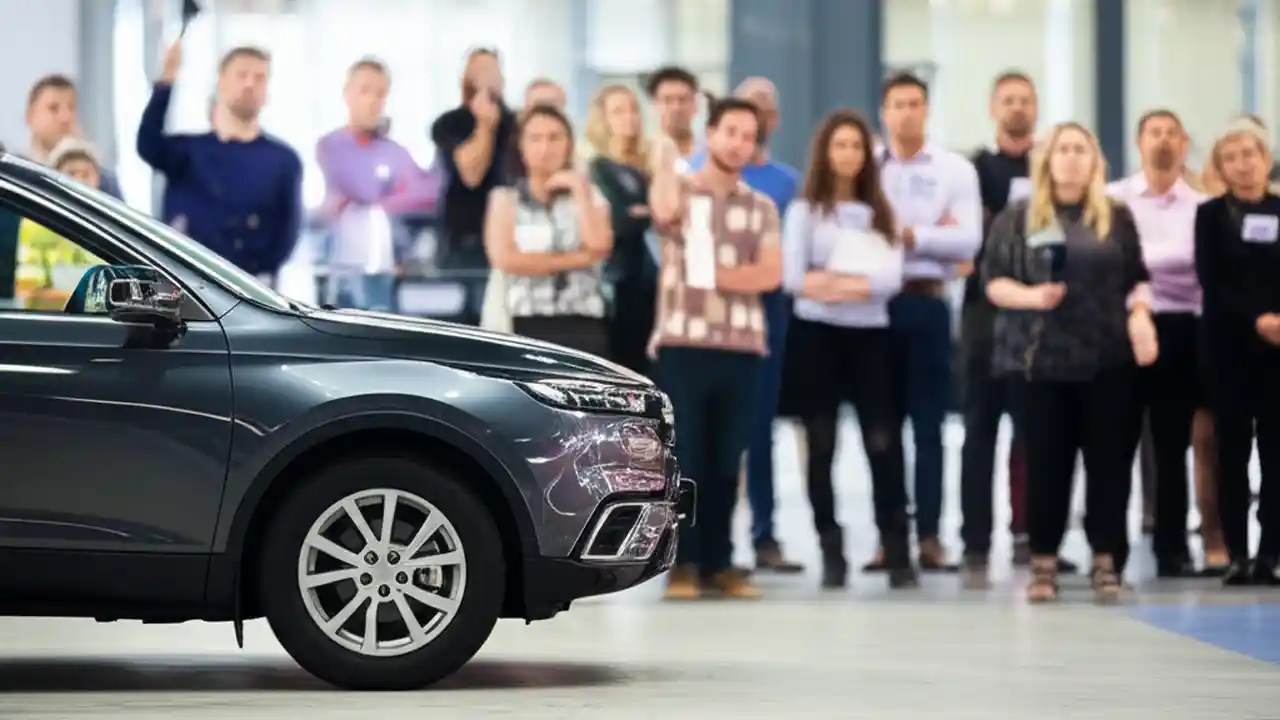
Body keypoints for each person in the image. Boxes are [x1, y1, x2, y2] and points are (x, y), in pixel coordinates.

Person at [983, 122, 1156, 603]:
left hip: (1107, 357)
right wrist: (1032, 296)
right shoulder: (1019, 217)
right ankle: (1043, 561)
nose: (1072, 158)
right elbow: (993, 281)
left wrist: (1141, 315)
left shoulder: (1115, 217)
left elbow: (1138, 277)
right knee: (1046, 464)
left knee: (1109, 464)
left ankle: (1106, 559)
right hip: (1040, 360)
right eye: (1064, 149)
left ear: (1095, 160)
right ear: (1048, 158)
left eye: (1082, 149)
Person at [778, 109, 917, 589]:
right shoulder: (804, 211)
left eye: (857, 146)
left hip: (872, 340)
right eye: (840, 145)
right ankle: (831, 548)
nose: (849, 155)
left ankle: (898, 548)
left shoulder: (882, 212)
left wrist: (833, 282)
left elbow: (890, 280)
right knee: (821, 445)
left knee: (883, 441)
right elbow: (795, 279)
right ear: (825, 151)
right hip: (817, 340)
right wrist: (855, 284)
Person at [649, 98, 782, 600]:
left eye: (749, 136)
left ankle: (720, 563)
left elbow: (770, 273)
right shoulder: (681, 190)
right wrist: (665, 151)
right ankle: (680, 563)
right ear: (710, 134)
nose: (740, 143)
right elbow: (662, 210)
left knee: (729, 460)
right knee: (687, 458)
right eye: (731, 132)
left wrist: (711, 276)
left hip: (743, 348)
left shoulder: (761, 206)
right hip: (685, 343)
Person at [689, 77, 804, 573]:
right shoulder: (693, 176)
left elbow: (778, 265)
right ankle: (699, 553)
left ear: (770, 123)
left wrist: (731, 272)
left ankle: (763, 534)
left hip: (766, 317)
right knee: (702, 437)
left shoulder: (786, 183)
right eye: (734, 123)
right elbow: (693, 260)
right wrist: (742, 271)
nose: (743, 134)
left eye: (759, 116)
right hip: (698, 323)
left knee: (757, 428)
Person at [876, 72, 982, 572]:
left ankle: (931, 537)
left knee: (929, 428)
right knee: (882, 428)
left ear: (927, 109)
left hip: (929, 305)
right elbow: (853, 240)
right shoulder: (866, 169)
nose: (906, 112)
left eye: (915, 103)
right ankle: (888, 537)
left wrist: (904, 234)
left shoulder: (953, 169)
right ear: (884, 112)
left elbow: (968, 242)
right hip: (873, 307)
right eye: (897, 104)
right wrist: (933, 233)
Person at [1108, 109, 1220, 578]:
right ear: (1139, 142)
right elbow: (1114, 266)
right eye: (1155, 132)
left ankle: (1172, 550)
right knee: (1115, 443)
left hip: (1180, 331)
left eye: (1173, 133)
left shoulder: (1201, 207)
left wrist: (1144, 267)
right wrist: (1162, 269)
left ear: (1184, 143)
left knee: (1172, 446)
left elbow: (1205, 271)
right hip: (1122, 328)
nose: (1164, 141)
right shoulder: (1112, 200)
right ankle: (1108, 550)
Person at [960, 70, 1061, 585]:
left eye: (1026, 100)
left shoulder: (1052, 169)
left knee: (1034, 431)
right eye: (1008, 100)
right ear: (994, 107)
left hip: (1041, 318)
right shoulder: (974, 169)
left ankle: (1031, 533)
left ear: (1036, 107)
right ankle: (974, 540)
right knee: (979, 430)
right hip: (983, 316)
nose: (1017, 107)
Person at [137, 42, 303, 284]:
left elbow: (286, 234)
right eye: (242, 75)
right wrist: (166, 82)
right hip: (187, 282)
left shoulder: (284, 160)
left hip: (254, 288)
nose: (249, 84)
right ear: (221, 82)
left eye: (259, 77)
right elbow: (147, 144)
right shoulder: (187, 152)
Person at [1195, 118, 1280, 586]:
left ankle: (1271, 553)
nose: (1242, 164)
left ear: (1265, 160)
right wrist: (1257, 320)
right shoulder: (1209, 216)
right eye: (1231, 158)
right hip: (1229, 346)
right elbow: (1213, 281)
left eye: (1250, 154)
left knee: (1275, 453)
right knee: (1230, 451)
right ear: (1221, 168)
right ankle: (1236, 554)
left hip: (1277, 351)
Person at [483, 105, 612, 355]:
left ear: (569, 144)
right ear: (521, 146)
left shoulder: (589, 194)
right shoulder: (505, 199)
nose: (546, 147)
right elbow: (505, 259)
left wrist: (579, 189)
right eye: (535, 138)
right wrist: (579, 258)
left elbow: (600, 245)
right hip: (526, 321)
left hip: (584, 319)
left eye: (555, 138)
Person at [316, 58, 435, 312]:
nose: (373, 101)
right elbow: (363, 186)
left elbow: (426, 195)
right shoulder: (331, 145)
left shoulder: (394, 151)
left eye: (380, 94)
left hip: (386, 270)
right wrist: (392, 194)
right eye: (365, 91)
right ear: (348, 94)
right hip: (340, 270)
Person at [431, 47, 518, 320]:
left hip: (510, 237)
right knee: (461, 321)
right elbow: (471, 175)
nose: (488, 77)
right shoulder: (450, 123)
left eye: (493, 70)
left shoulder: (518, 124)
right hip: (463, 240)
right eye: (480, 70)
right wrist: (485, 126)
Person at [585, 85, 656, 375]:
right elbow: (619, 221)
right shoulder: (597, 167)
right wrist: (647, 213)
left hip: (646, 280)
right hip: (618, 280)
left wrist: (643, 212)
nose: (629, 117)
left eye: (633, 109)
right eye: (618, 111)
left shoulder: (643, 167)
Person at [25, 74, 123, 200]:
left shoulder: (103, 181)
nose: (65, 117)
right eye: (53, 108)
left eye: (71, 108)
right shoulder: (14, 176)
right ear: (30, 116)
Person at [646, 66, 700, 162]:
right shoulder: (645, 155)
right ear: (654, 105)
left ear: (695, 104)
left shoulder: (710, 154)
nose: (676, 108)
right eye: (668, 100)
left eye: (683, 100)